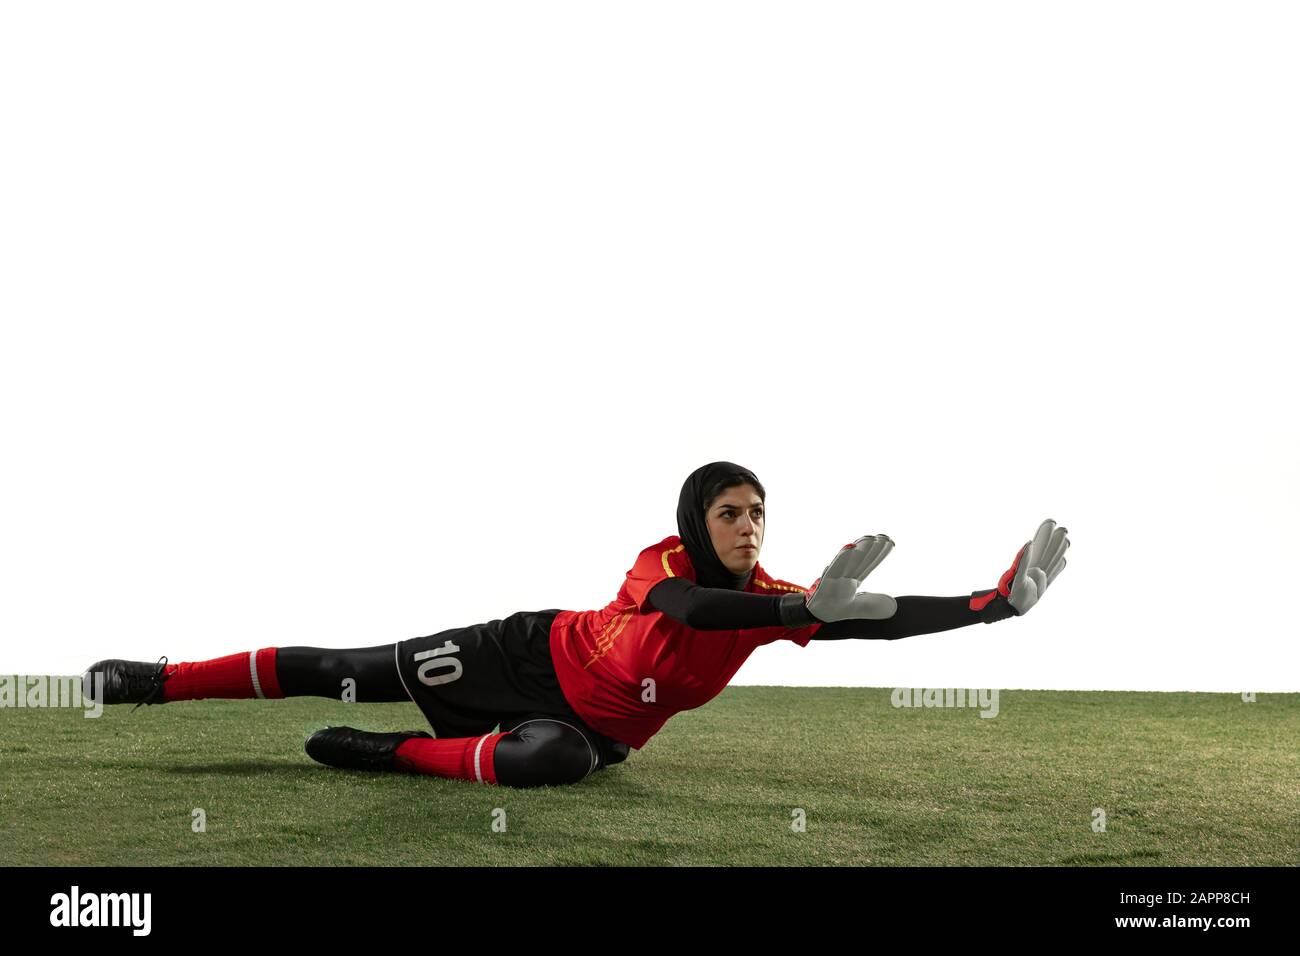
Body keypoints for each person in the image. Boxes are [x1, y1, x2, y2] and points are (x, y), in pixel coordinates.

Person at [83, 461, 1069, 788]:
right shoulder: (667, 565)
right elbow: (688, 610)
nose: (748, 525)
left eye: (758, 511)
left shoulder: (775, 595)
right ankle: (158, 679)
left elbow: (884, 621)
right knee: (342, 662)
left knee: (554, 763)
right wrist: (793, 606)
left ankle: (383, 754)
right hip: (524, 648)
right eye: (731, 511)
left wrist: (996, 604)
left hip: (590, 723)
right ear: (697, 518)